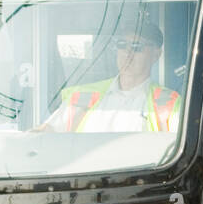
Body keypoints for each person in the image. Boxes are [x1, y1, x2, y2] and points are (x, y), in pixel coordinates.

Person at [44, 21, 180, 133]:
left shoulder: (169, 102)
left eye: (136, 46)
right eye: (122, 45)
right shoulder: (82, 96)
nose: (128, 52)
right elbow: (48, 132)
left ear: (156, 55)